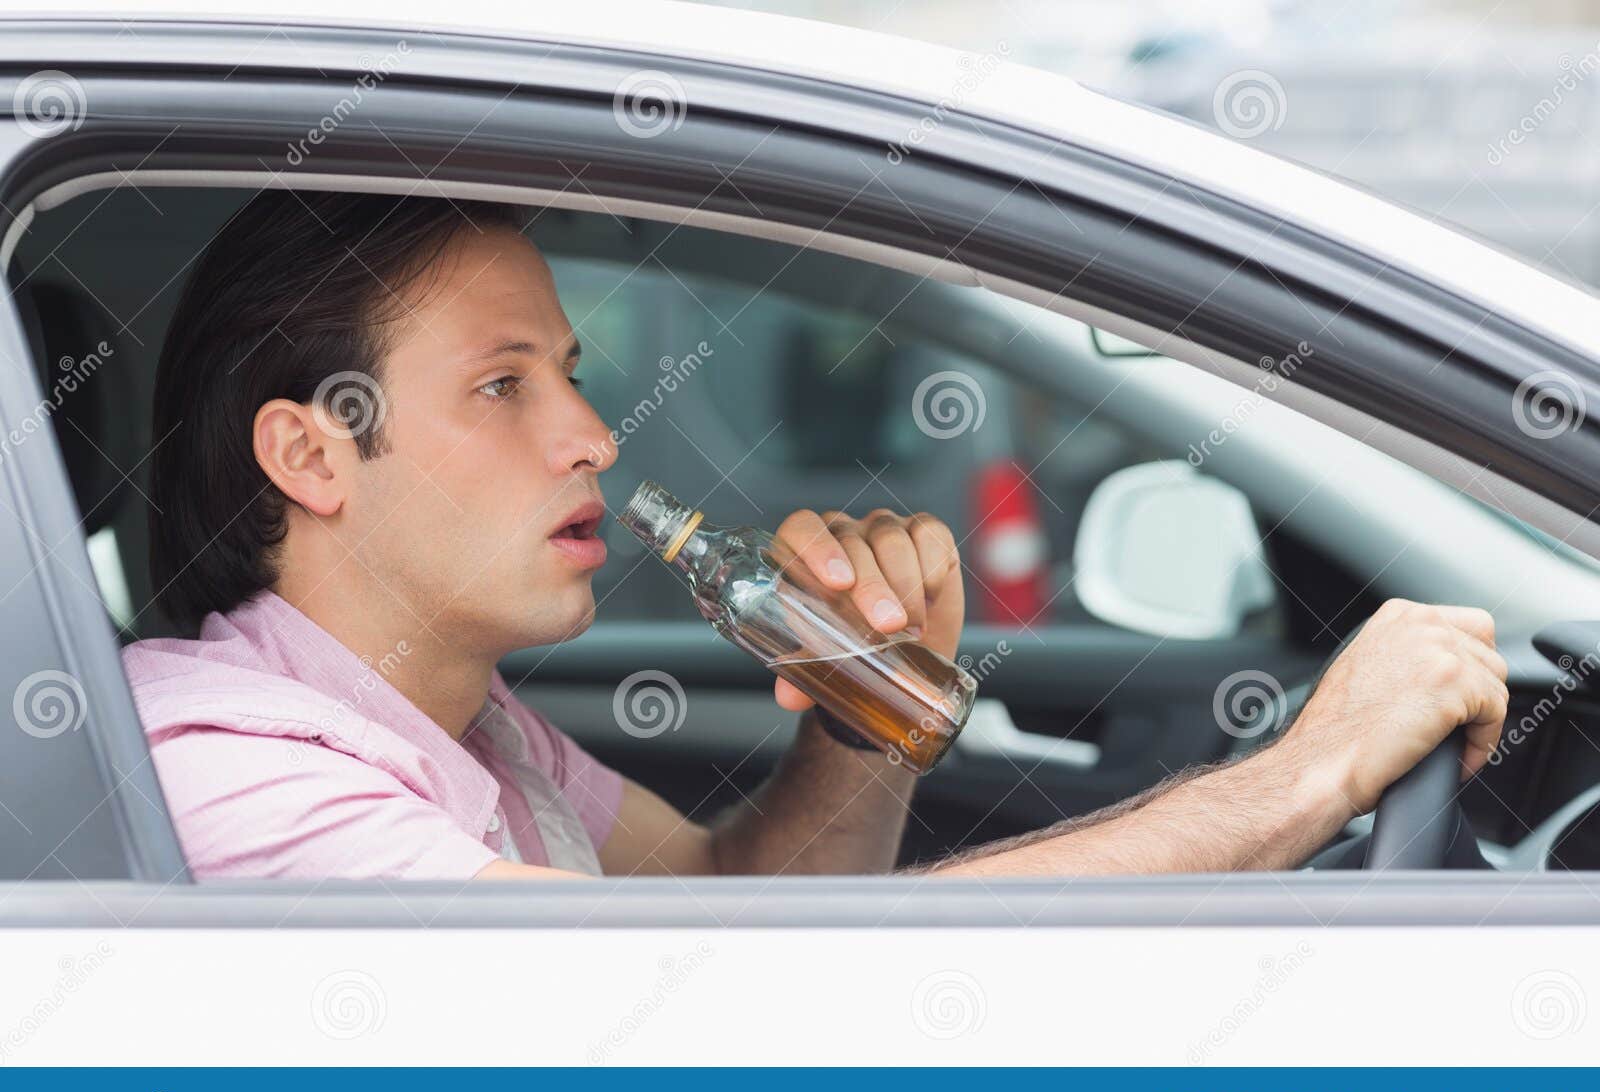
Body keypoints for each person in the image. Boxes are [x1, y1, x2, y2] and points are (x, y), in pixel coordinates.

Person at [123, 192, 1510, 881]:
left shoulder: (458, 720)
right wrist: (1302, 779)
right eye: (504, 385)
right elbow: (740, 1000)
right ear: (311, 452)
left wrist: (857, 719)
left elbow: (728, 906)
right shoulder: (231, 777)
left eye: (572, 370)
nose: (595, 437)